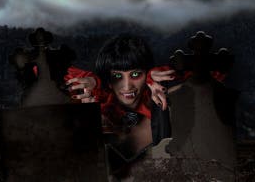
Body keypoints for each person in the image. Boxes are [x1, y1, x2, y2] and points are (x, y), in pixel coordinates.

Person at [65, 35, 175, 173]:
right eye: (117, 76)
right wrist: (93, 80)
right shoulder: (99, 100)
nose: (127, 86)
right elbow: (50, 68)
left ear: (147, 76)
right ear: (108, 81)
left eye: (135, 74)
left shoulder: (160, 101)